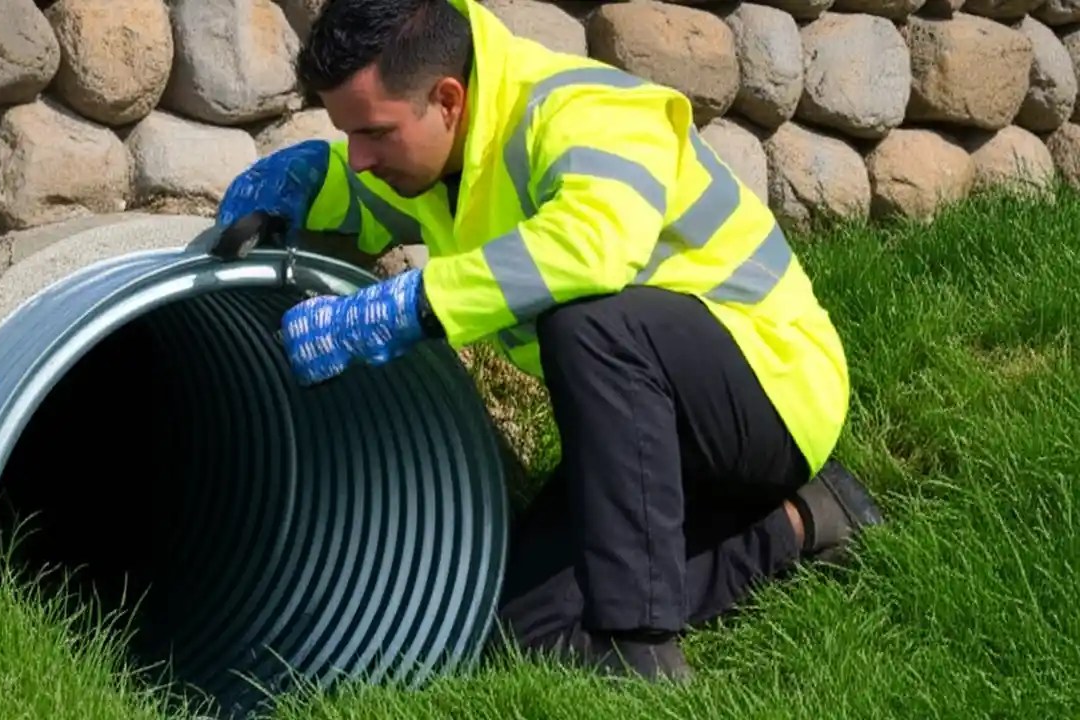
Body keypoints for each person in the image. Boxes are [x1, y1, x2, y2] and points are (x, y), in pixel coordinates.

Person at [212, 0, 884, 683]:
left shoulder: (583, 111)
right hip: (646, 437)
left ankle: (641, 648)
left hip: (772, 393)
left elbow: (595, 246)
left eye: (373, 133)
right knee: (519, 629)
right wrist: (298, 181)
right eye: (347, 135)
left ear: (448, 99)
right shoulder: (437, 159)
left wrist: (409, 305)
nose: (360, 158)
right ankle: (805, 520)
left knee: (588, 322)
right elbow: (360, 195)